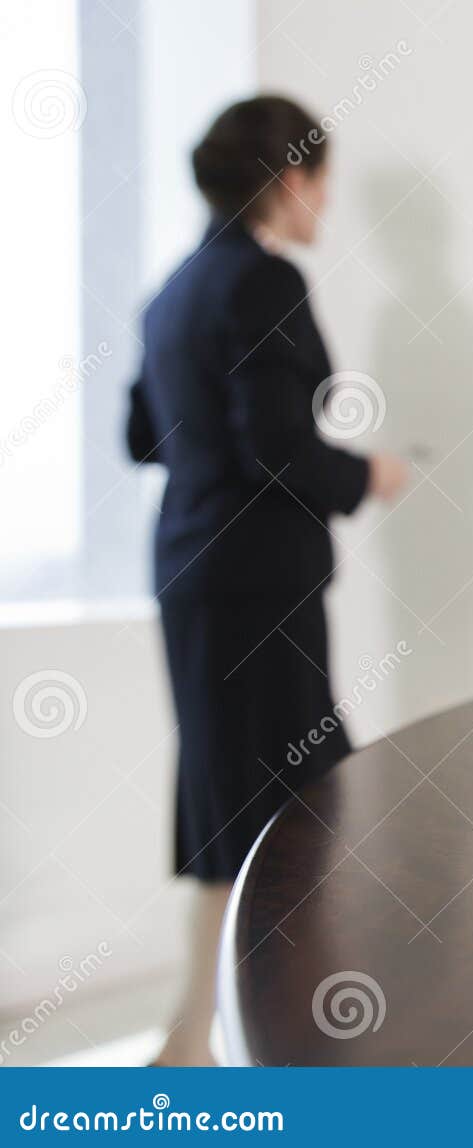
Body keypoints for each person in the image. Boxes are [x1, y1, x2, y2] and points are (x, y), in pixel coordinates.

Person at [125, 95, 409, 1065]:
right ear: (290, 180)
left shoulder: (172, 291)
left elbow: (140, 436)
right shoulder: (266, 283)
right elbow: (280, 446)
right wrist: (368, 472)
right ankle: (285, 1036)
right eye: (320, 180)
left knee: (236, 799)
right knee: (299, 808)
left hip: (190, 573)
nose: (325, 202)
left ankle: (193, 1033)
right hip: (258, 586)